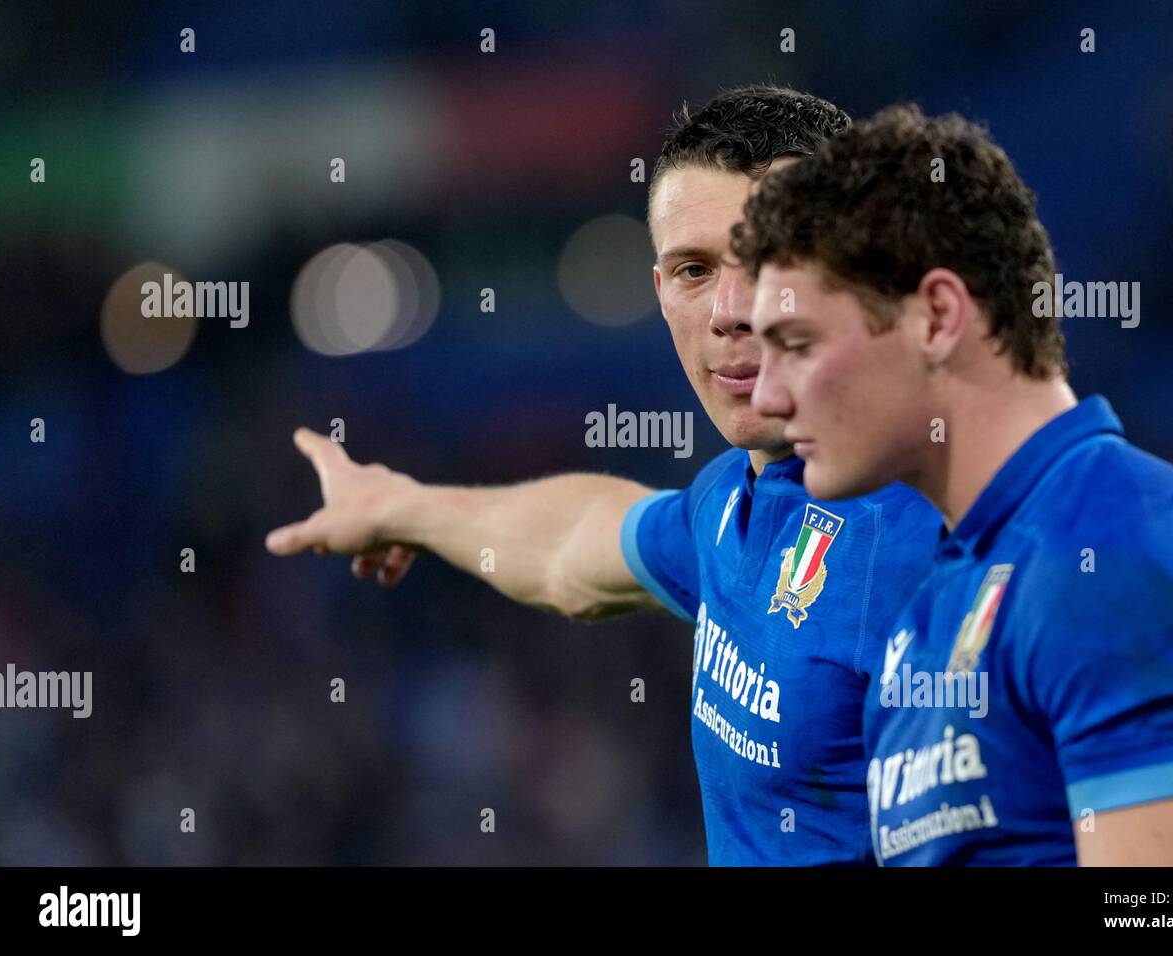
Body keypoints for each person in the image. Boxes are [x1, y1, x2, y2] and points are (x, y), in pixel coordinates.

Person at [266, 87, 942, 865]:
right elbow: (572, 546)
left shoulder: (927, 545)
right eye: (694, 269)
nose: (730, 309)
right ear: (660, 293)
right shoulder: (734, 503)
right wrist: (404, 506)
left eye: (769, 261)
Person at [734, 102, 1173, 865]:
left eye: (797, 345)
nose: (766, 397)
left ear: (936, 316)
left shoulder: (1124, 553)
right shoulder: (934, 606)